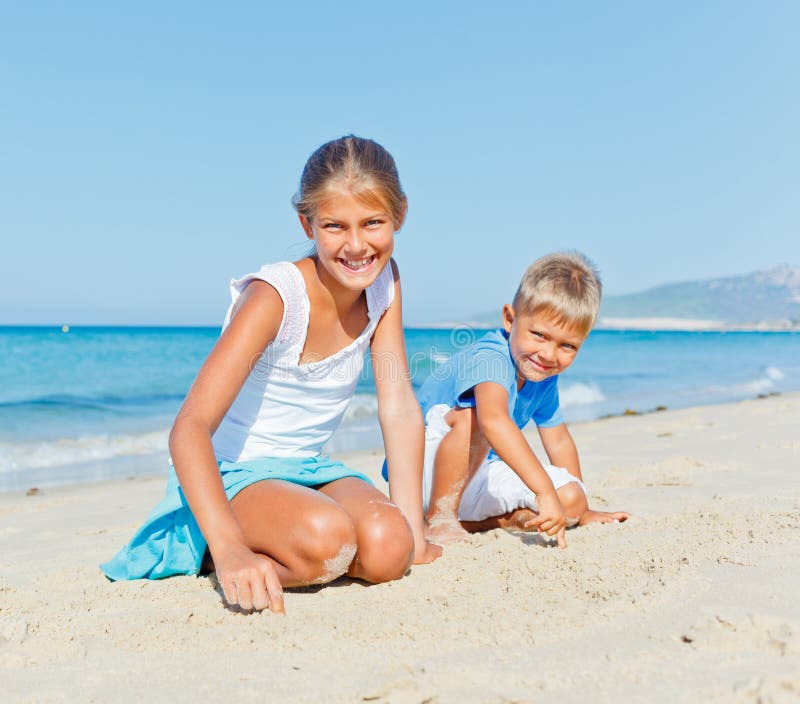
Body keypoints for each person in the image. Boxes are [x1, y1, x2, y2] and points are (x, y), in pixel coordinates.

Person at [101, 135, 441, 613]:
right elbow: (189, 429)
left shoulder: (385, 283)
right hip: (230, 477)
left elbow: (399, 405)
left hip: (307, 472)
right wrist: (230, 550)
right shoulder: (274, 298)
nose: (356, 245)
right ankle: (217, 549)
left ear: (400, 214)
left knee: (391, 546)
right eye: (335, 226)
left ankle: (293, 540)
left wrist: (415, 533)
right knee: (328, 538)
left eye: (373, 222)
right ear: (307, 222)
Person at [406, 251, 628, 547]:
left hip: (481, 475)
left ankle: (483, 524)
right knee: (475, 416)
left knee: (571, 502)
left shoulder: (543, 375)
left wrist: (583, 508)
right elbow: (493, 420)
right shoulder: (491, 358)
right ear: (510, 319)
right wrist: (543, 491)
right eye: (539, 335)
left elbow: (558, 439)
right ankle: (440, 518)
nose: (548, 354)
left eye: (567, 346)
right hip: (426, 474)